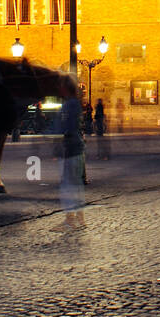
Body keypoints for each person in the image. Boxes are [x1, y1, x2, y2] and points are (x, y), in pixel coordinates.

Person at [55, 77, 86, 230]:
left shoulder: (70, 105)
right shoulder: (74, 104)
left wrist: (54, 135)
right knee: (76, 183)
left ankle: (70, 220)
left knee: (68, 185)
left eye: (60, 86)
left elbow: (66, 127)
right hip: (76, 148)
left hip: (70, 149)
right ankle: (79, 218)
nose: (58, 89)